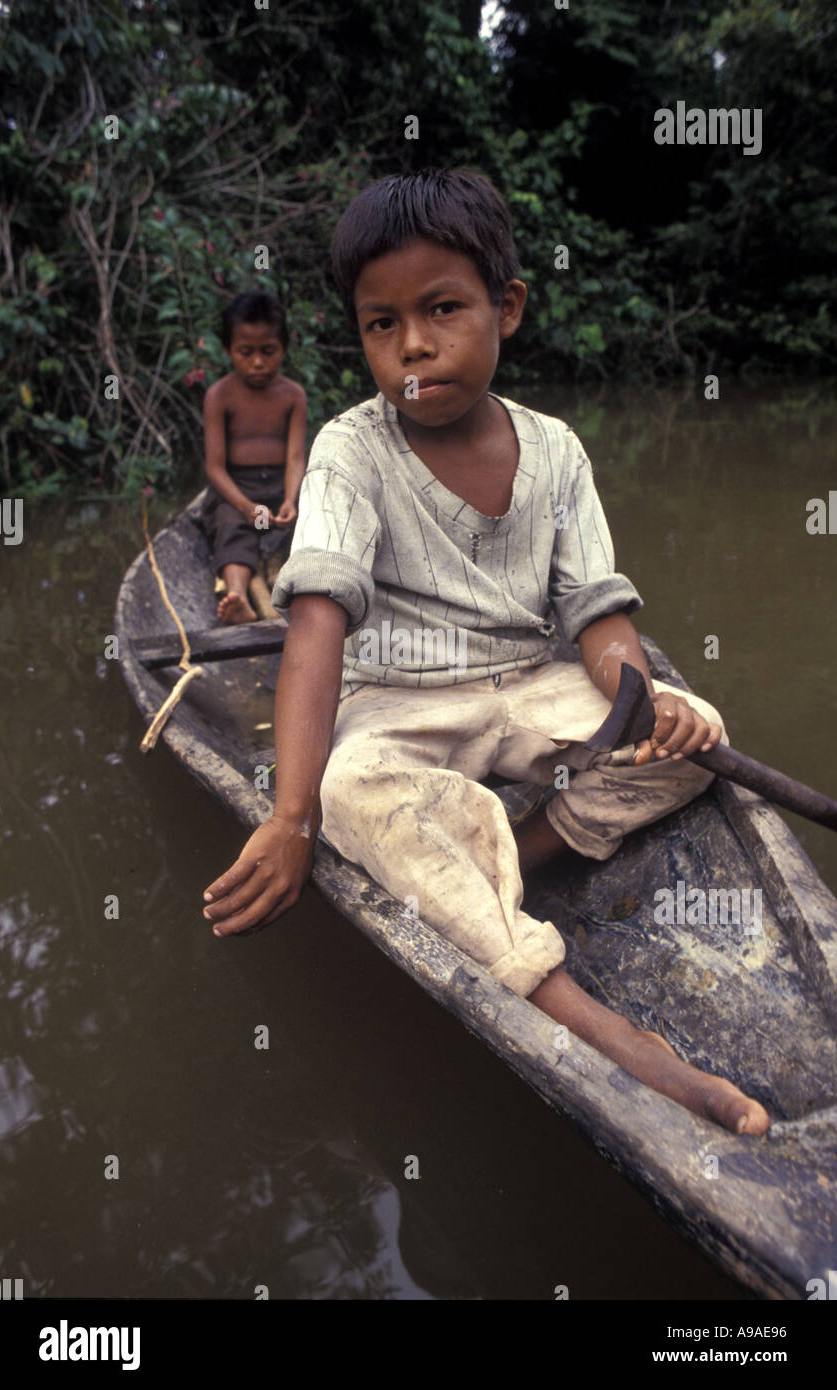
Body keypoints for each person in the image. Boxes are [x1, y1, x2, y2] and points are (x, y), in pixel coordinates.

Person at [201, 170, 769, 1136]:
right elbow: (316, 629)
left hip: (528, 681)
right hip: (398, 701)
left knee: (698, 741)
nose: (413, 344)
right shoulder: (349, 450)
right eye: (382, 324)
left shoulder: (555, 452)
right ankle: (591, 1022)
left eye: (443, 309)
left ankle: (515, 846)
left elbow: (596, 613)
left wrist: (642, 699)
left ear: (506, 308)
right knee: (354, 794)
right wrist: (292, 815)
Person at [200, 290, 307, 623]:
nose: (258, 362)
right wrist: (247, 508)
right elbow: (215, 468)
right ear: (230, 351)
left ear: (284, 349)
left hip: (280, 486)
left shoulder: (293, 396)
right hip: (237, 490)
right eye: (246, 352)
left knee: (314, 514)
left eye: (268, 351)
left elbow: (294, 458)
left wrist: (290, 499)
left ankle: (292, 581)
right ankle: (237, 595)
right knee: (232, 528)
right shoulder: (219, 396)